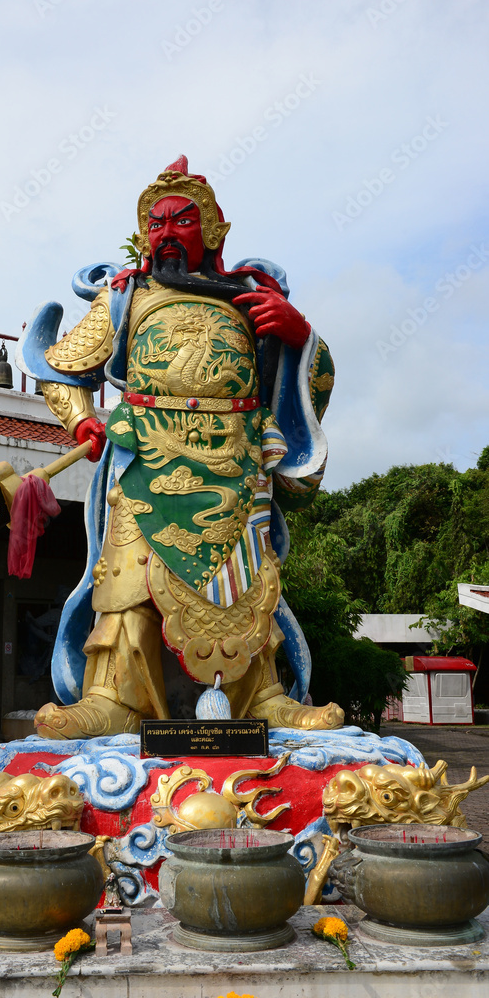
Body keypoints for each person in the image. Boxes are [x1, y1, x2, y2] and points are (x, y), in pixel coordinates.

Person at [17, 156, 343, 739]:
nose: (166, 233)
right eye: (156, 223)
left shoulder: (249, 296)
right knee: (128, 577)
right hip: (145, 456)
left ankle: (263, 696)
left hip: (237, 459)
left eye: (182, 220)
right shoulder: (129, 296)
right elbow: (62, 370)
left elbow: (308, 380)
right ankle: (113, 695)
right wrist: (83, 422)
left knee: (245, 578)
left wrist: (299, 338)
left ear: (213, 229)